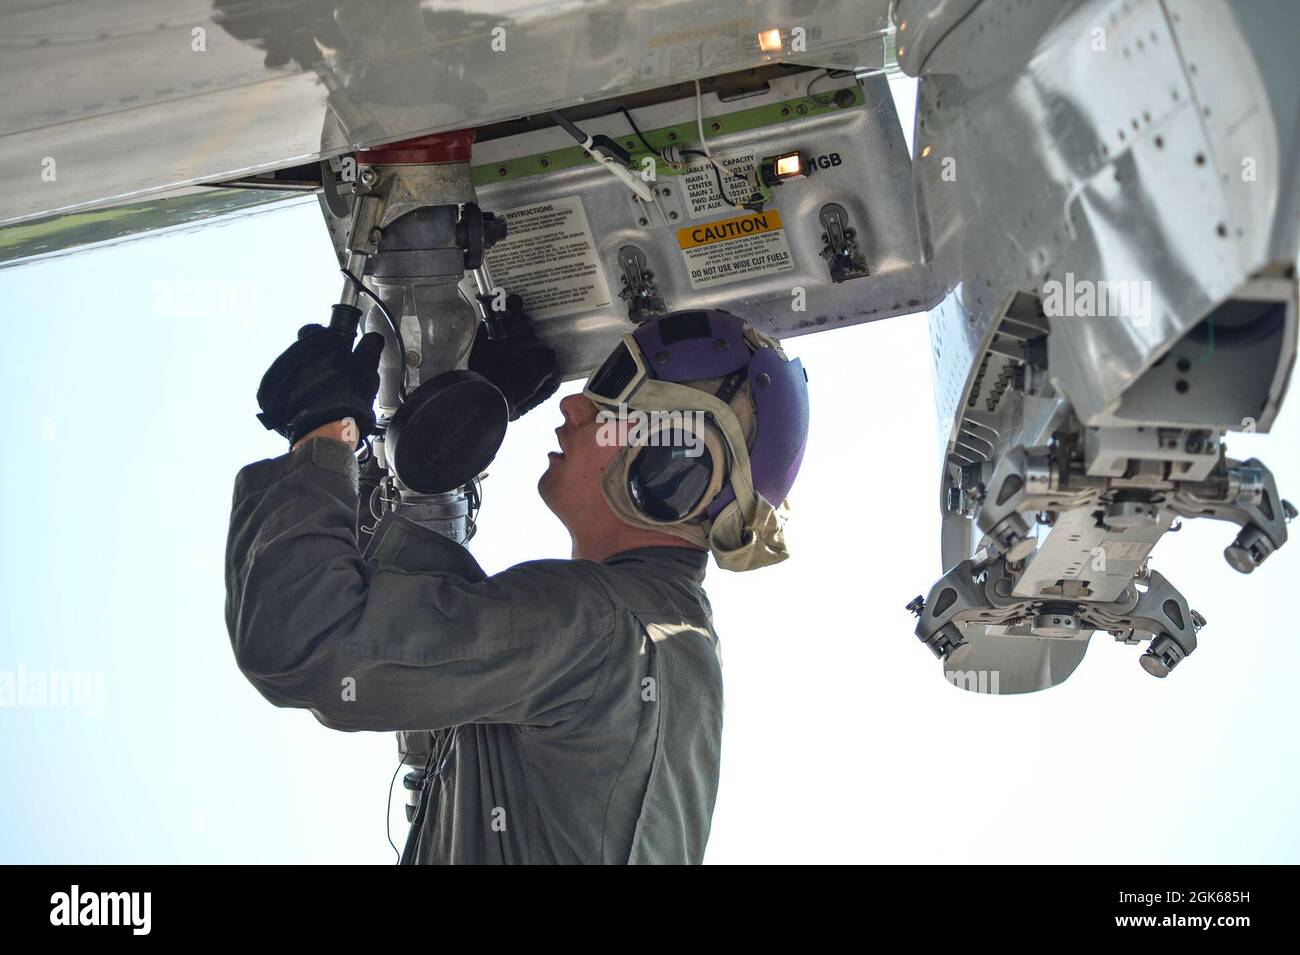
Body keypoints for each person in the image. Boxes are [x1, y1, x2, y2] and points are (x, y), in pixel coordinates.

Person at [226, 308, 808, 863]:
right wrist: (463, 417)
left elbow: (309, 637)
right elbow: (405, 616)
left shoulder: (602, 629)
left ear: (676, 465)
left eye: (615, 400)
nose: (574, 406)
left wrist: (322, 436)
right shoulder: (650, 636)